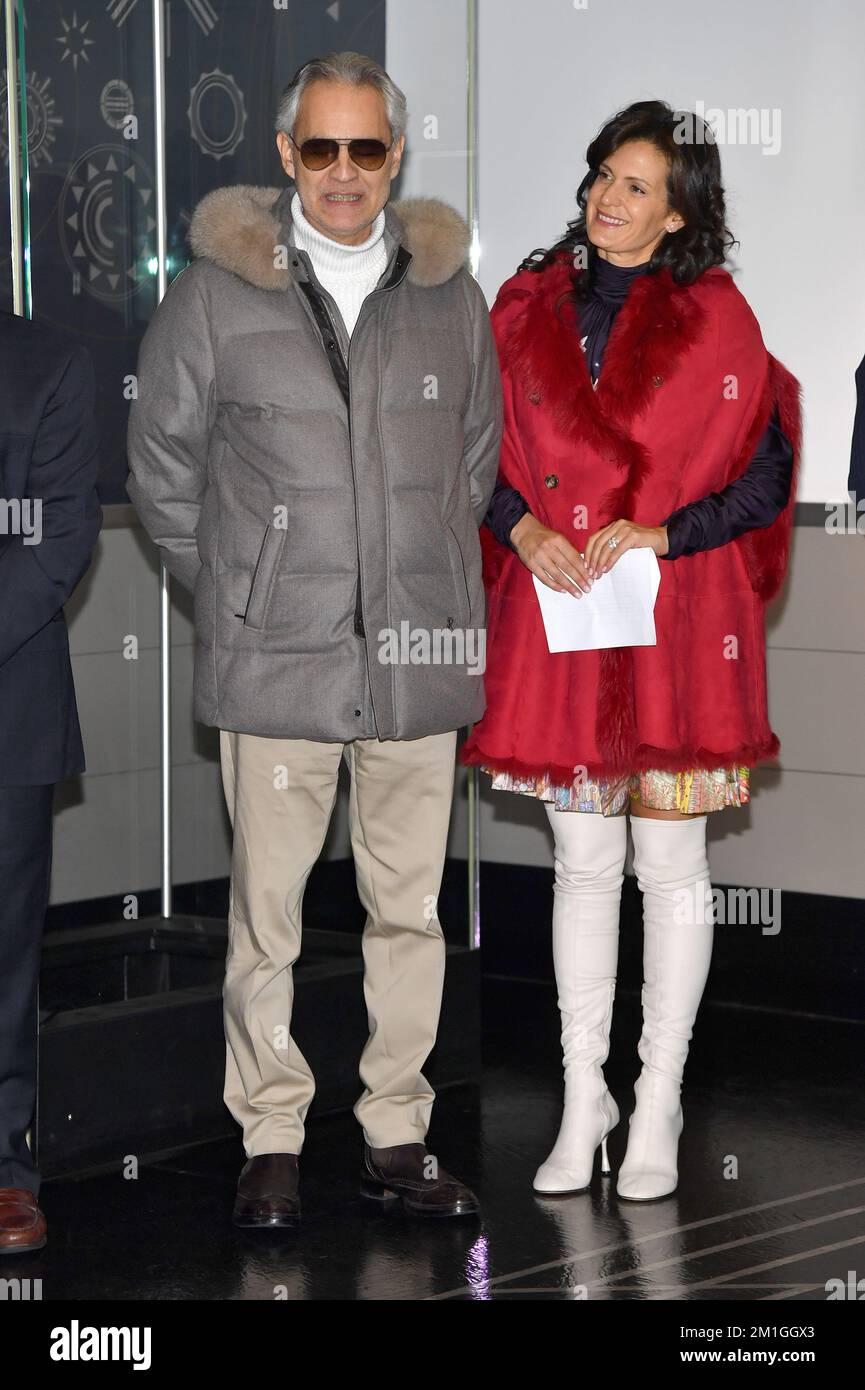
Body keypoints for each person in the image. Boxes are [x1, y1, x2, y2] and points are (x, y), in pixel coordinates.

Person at [126, 52, 502, 1224]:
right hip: (275, 665)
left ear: (395, 156)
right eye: (322, 149)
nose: (345, 174)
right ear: (287, 156)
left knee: (410, 912)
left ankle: (397, 1129)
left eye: (368, 149)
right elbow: (164, 475)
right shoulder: (211, 296)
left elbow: (475, 466)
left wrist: (422, 579)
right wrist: (248, 592)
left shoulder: (449, 295)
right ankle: (273, 1138)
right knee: (268, 920)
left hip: (414, 663)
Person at [462, 100, 801, 1202]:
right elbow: (470, 449)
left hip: (677, 626)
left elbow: (762, 472)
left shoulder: (719, 319)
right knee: (581, 866)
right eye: (603, 174)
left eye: (638, 185)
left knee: (669, 869)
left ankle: (657, 1098)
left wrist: (662, 530)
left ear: (678, 210)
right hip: (559, 624)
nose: (609, 198)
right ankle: (581, 1096)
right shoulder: (521, 306)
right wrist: (517, 523)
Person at [0, 311, 102, 1251]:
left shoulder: (46, 363)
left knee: (3, 953)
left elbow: (62, 537)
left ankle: (4, 1170)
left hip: (7, 706)